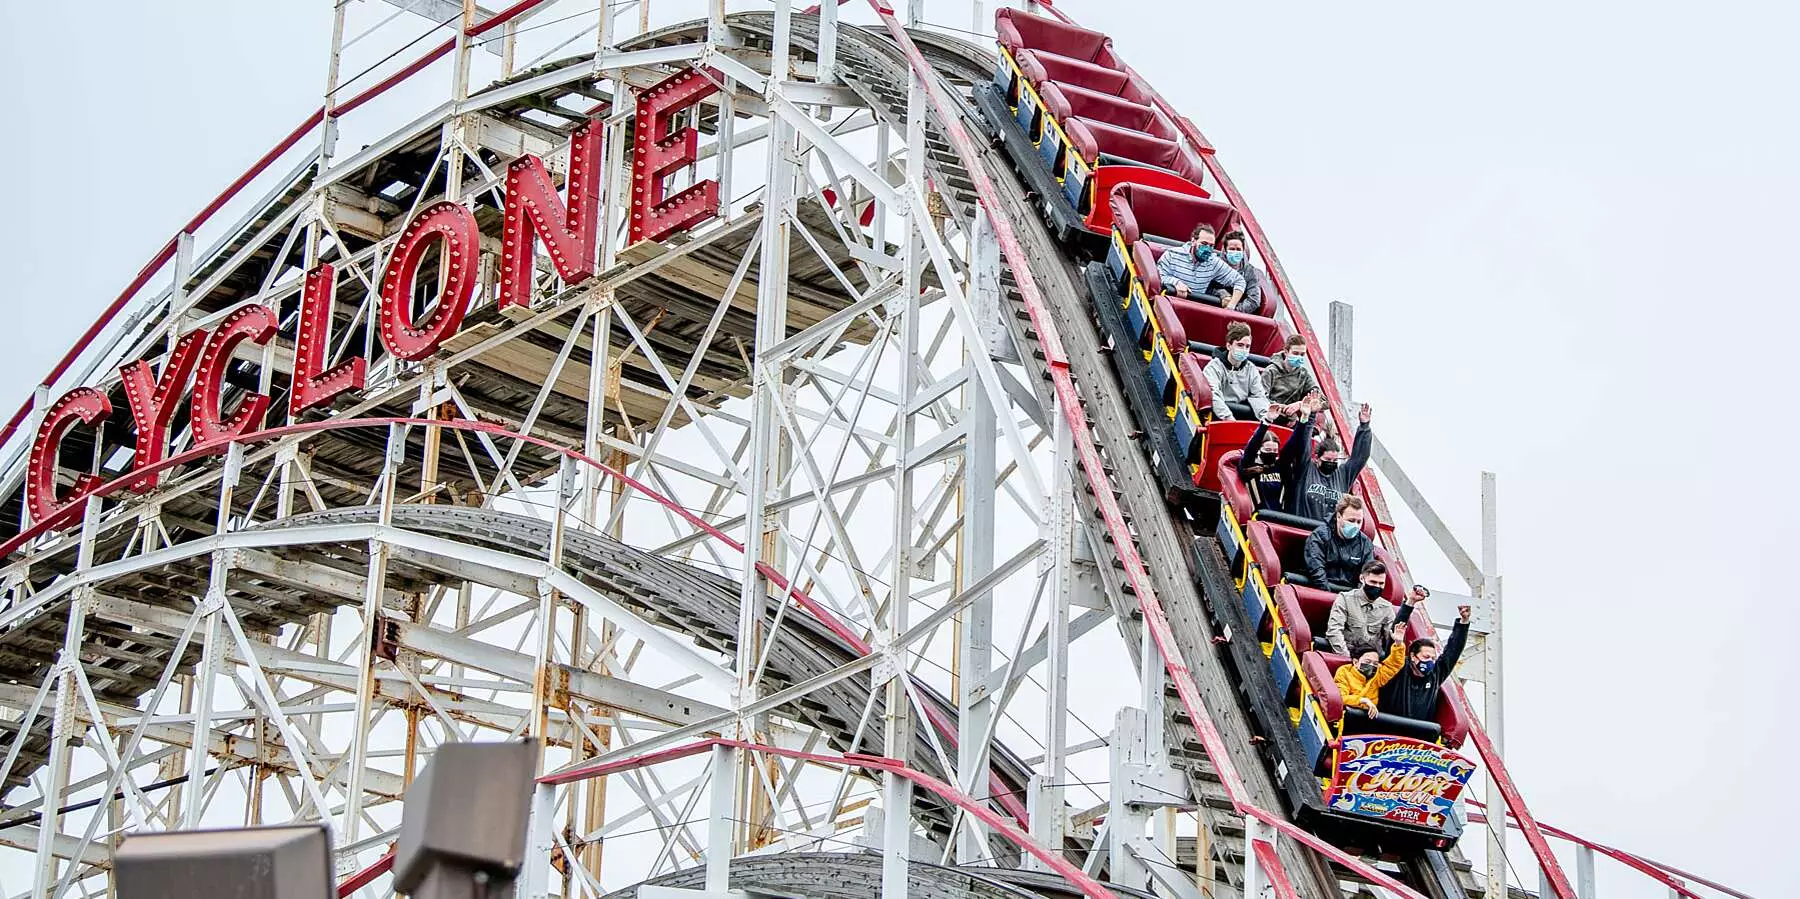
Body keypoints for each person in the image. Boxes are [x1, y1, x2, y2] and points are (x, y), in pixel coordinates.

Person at [1278, 400, 1374, 523]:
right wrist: (1311, 416)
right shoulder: (1306, 468)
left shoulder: (1342, 475)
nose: (1331, 463)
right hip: (1302, 529)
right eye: (1328, 459)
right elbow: (1303, 445)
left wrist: (1364, 427)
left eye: (1335, 460)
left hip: (1329, 535)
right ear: (1317, 458)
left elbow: (1359, 457)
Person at [1378, 604, 1473, 723]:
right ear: (1413, 656)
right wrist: (1410, 603)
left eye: (1433, 659)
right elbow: (1394, 642)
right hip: (1388, 730)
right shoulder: (1398, 667)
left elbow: (1453, 651)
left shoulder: (1435, 674)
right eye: (1426, 657)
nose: (1430, 661)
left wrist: (1463, 622)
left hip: (1418, 735)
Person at [1325, 560, 1430, 656]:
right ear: (1362, 579)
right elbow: (1334, 632)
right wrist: (1346, 658)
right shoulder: (1345, 599)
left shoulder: (1386, 607)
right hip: (1347, 656)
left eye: (1381, 583)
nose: (1377, 586)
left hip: (1373, 661)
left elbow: (1393, 637)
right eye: (1373, 582)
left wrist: (1411, 601)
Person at [1155, 222, 1245, 309]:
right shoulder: (1172, 254)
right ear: (1193, 241)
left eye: (1211, 246)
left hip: (1194, 308)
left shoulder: (1213, 262)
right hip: (1167, 305)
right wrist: (1175, 282)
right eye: (1204, 244)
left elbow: (1240, 281)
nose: (1207, 249)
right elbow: (1157, 277)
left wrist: (1231, 306)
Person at [1334, 618, 1412, 718]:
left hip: (1369, 717)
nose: (1372, 665)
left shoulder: (1378, 674)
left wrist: (1398, 643)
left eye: (1375, 663)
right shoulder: (1344, 672)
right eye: (1367, 662)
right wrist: (1362, 700)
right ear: (1356, 662)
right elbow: (1341, 697)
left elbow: (1395, 664)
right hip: (1346, 714)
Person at [1200, 321, 1271, 422]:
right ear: (1229, 346)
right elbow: (1213, 395)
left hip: (1242, 414)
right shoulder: (1213, 368)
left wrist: (1265, 418)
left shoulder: (1251, 369)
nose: (1244, 350)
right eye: (1240, 345)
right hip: (1219, 416)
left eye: (1247, 347)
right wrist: (1229, 419)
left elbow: (1258, 395)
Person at [1302, 494, 1375, 590]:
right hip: (1320, 591)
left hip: (1349, 596)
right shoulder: (1320, 536)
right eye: (1351, 520)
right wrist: (1328, 595)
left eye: (1359, 522)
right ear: (1338, 516)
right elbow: (1316, 570)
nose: (1355, 526)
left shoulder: (1365, 544)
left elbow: (1368, 575)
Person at [1236, 421, 1289, 512]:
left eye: (1275, 450)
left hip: (1279, 516)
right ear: (1259, 450)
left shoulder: (1280, 466)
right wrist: (1266, 422)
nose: (1272, 453)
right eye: (1268, 449)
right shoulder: (1248, 465)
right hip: (1257, 517)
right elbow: (1251, 448)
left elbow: (1293, 445)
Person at [1263, 334, 1319, 412]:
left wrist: (1300, 404)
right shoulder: (1271, 371)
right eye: (1295, 353)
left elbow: (1318, 396)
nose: (1299, 357)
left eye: (1302, 354)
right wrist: (1285, 408)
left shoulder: (1304, 374)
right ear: (1286, 352)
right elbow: (1262, 398)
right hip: (1272, 413)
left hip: (1294, 415)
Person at [1218, 230, 1267, 315]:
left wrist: (1233, 310)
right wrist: (1222, 294)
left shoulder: (1250, 271)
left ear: (1243, 251)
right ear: (1225, 251)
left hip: (1237, 313)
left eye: (1238, 249)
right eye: (1232, 249)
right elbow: (1207, 287)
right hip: (1214, 306)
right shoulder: (1216, 265)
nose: (1235, 252)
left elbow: (1254, 300)